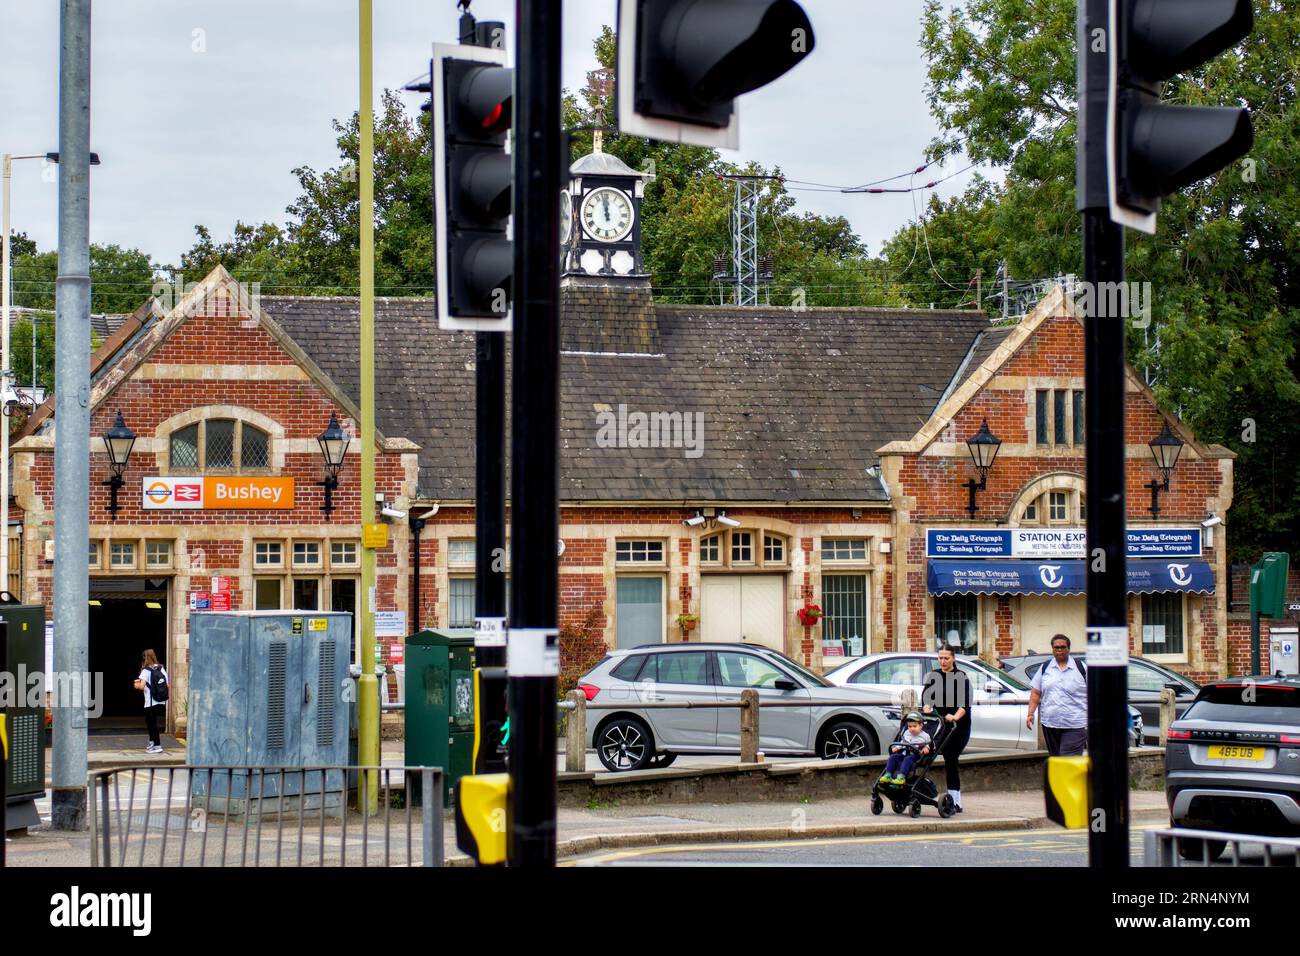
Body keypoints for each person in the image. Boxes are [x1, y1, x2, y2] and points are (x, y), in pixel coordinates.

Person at [922, 644, 971, 812]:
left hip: (958, 727)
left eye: (946, 658)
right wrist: (927, 706)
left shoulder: (961, 676)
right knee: (925, 755)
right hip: (939, 725)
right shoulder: (934, 676)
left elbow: (965, 704)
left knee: (951, 758)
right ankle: (920, 789)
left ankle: (956, 800)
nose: (943, 661)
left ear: (953, 659)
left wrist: (955, 716)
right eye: (940, 658)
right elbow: (927, 697)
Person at [1027, 633, 1087, 756]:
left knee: (1068, 760)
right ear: (1052, 649)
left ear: (1068, 649)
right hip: (1050, 724)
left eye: (1063, 647)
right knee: (1056, 760)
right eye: (1056, 647)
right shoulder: (1045, 668)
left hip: (1075, 725)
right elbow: (1036, 693)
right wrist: (1030, 714)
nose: (1059, 650)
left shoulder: (1081, 668)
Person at [879, 711, 931, 785]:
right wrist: (897, 747)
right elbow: (902, 742)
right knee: (893, 757)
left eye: (914, 726)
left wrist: (926, 748)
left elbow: (927, 745)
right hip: (904, 754)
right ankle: (888, 774)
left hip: (916, 756)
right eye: (909, 726)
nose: (912, 729)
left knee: (907, 759)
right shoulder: (906, 733)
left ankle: (901, 777)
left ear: (921, 725)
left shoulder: (925, 736)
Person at [133, 649, 169, 755]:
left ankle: (157, 745)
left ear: (144, 658)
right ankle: (152, 743)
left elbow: (142, 686)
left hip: (150, 702)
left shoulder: (146, 671)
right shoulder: (161, 669)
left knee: (151, 724)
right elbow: (167, 685)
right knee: (154, 723)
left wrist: (136, 685)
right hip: (161, 701)